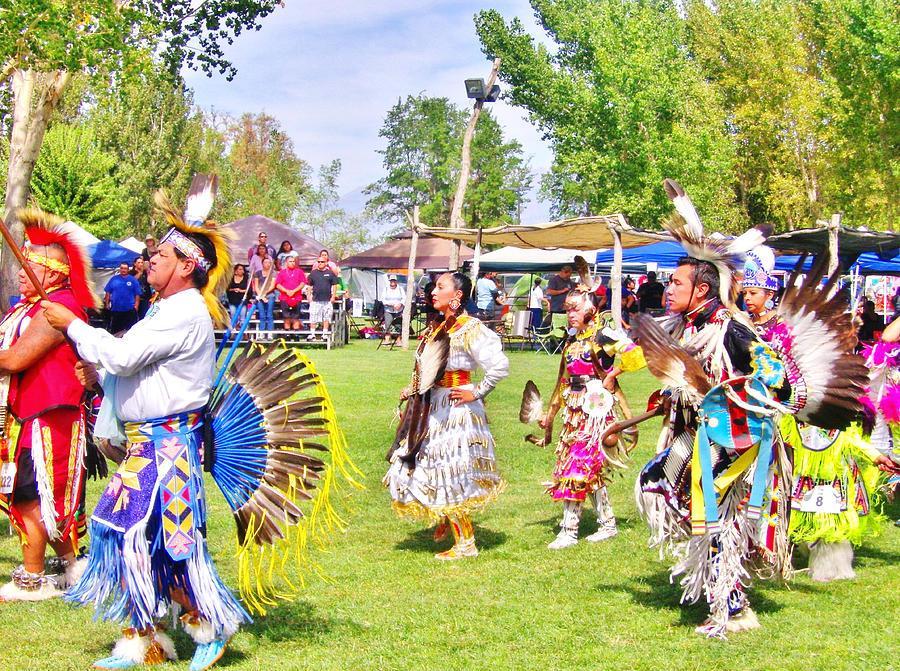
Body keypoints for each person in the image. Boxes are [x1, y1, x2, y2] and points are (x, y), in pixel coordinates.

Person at [42, 187, 247, 670]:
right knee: (128, 534)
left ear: (186, 265)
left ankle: (210, 627)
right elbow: (132, 366)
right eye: (153, 252)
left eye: (160, 254)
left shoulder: (185, 310)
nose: (150, 259)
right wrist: (103, 377)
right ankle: (143, 641)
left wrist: (73, 325)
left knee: (170, 542)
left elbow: (122, 354)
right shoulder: (162, 308)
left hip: (169, 446)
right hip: (148, 445)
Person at [0, 208, 97, 602]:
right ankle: (72, 566)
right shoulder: (29, 306)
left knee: (33, 493)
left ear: (53, 273)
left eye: (30, 264)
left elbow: (15, 359)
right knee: (34, 492)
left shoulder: (59, 308)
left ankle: (33, 577)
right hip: (29, 411)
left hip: (49, 414)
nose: (21, 272)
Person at [384, 272, 508, 560]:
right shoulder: (437, 328)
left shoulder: (470, 329)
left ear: (457, 295)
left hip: (457, 411)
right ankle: (444, 520)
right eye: (434, 286)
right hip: (432, 406)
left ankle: (466, 543)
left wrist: (476, 392)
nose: (433, 292)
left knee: (452, 470)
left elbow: (499, 366)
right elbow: (429, 369)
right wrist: (413, 389)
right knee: (423, 463)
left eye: (441, 287)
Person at [540, 287, 645, 549]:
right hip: (573, 411)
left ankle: (569, 530)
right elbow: (563, 381)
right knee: (590, 468)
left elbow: (637, 354)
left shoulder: (604, 334)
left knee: (576, 466)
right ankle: (607, 524)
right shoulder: (572, 340)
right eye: (567, 310)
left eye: (575, 309)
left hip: (596, 408)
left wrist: (612, 374)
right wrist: (551, 414)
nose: (570, 315)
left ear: (591, 310)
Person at [741, 245, 780, 333]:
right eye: (744, 293)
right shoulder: (741, 321)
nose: (747, 298)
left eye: (753, 293)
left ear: (769, 295)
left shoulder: (781, 324)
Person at [306, 250, 339, 341]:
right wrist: (308, 295)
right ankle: (312, 334)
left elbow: (335, 284)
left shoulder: (330, 273)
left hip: (327, 300)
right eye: (319, 262)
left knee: (326, 317)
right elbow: (309, 285)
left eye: (322, 262)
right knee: (313, 316)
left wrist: (333, 296)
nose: (320, 263)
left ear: (326, 263)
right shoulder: (313, 273)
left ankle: (324, 335)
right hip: (315, 299)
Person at [104, 261, 141, 334]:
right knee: (115, 330)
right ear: (120, 269)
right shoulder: (114, 279)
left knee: (130, 331)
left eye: (125, 268)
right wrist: (107, 303)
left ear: (128, 270)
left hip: (129, 309)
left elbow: (137, 294)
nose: (123, 270)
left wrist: (136, 306)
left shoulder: (133, 280)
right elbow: (108, 292)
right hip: (116, 309)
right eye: (122, 268)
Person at [276, 254, 306, 335]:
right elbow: (278, 284)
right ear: (286, 263)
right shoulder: (282, 272)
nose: (292, 263)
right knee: (286, 316)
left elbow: (303, 283)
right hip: (285, 298)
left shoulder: (299, 271)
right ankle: (287, 333)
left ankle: (296, 333)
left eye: (293, 261)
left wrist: (294, 291)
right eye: (290, 261)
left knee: (296, 316)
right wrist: (286, 291)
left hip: (297, 297)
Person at [252, 257, 277, 340]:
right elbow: (256, 286)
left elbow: (272, 285)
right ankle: (261, 334)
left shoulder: (273, 273)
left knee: (269, 315)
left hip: (269, 296)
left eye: (269, 262)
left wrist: (265, 294)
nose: (267, 264)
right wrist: (261, 296)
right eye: (265, 262)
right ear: (262, 264)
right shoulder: (258, 273)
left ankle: (270, 334)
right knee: (262, 315)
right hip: (260, 296)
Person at [381, 274, 405, 344]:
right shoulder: (386, 289)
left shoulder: (400, 289)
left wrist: (400, 304)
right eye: (391, 281)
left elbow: (404, 298)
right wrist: (389, 304)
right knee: (388, 324)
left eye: (394, 281)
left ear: (396, 281)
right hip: (388, 310)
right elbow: (383, 299)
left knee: (398, 325)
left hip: (398, 310)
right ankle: (387, 339)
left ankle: (398, 339)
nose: (392, 282)